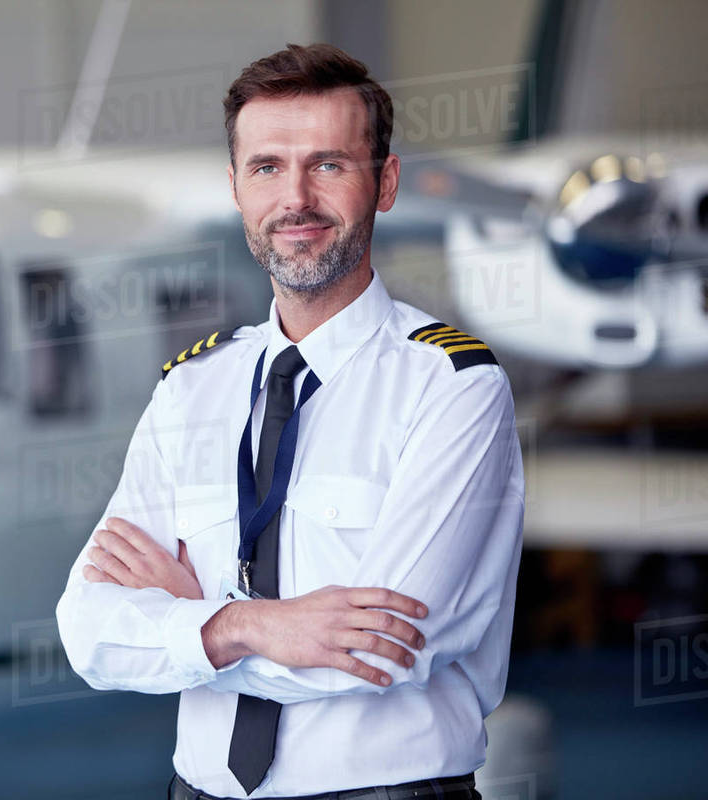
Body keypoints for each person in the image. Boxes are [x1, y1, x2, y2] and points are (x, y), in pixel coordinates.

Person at [55, 42, 524, 800]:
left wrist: (187, 618)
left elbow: (383, 650)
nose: (296, 198)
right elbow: (89, 632)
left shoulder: (452, 386)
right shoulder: (189, 389)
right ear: (237, 189)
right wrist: (246, 627)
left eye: (329, 164)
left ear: (386, 182)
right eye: (267, 167)